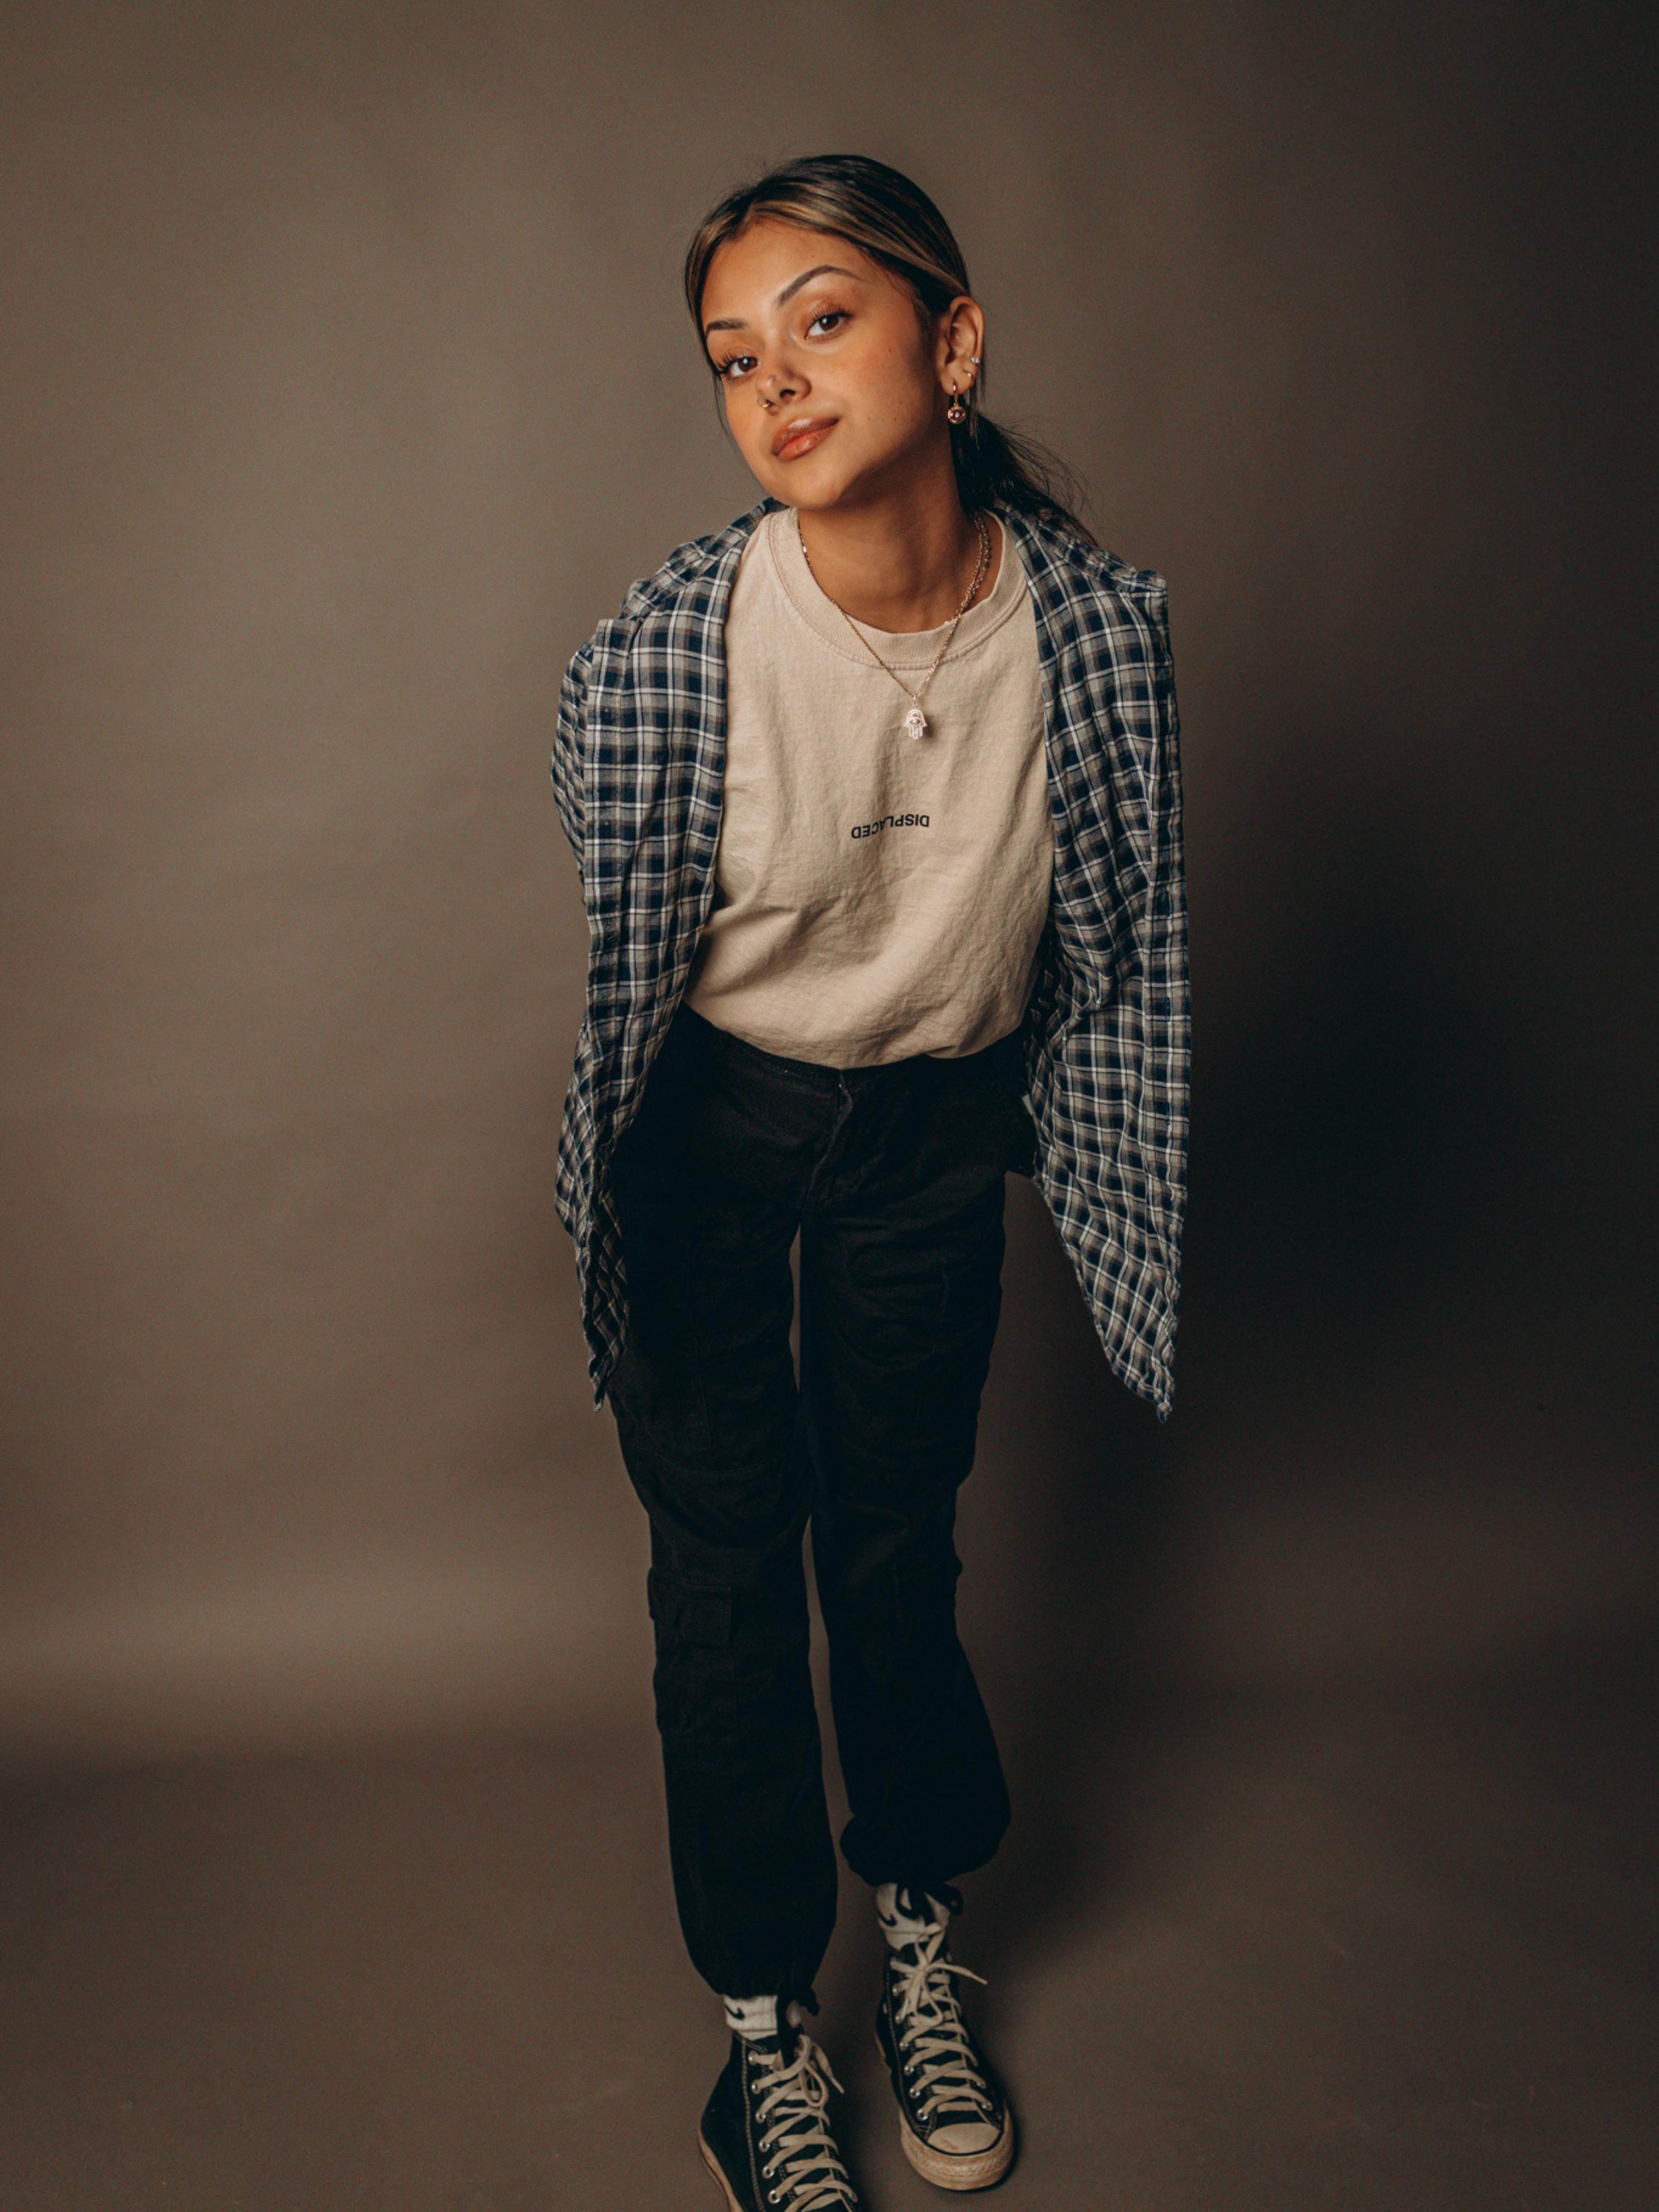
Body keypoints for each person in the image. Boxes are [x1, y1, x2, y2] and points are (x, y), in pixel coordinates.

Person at [550, 153, 1188, 2210]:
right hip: (712, 1138)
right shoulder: (672, 647)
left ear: (954, 339)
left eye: (823, 321)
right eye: (735, 356)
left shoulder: (1092, 636)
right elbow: (619, 903)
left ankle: (920, 1938)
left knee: (898, 1546)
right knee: (726, 1575)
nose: (778, 384)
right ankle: (763, 2029)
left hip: (935, 1127)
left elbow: (1125, 933)